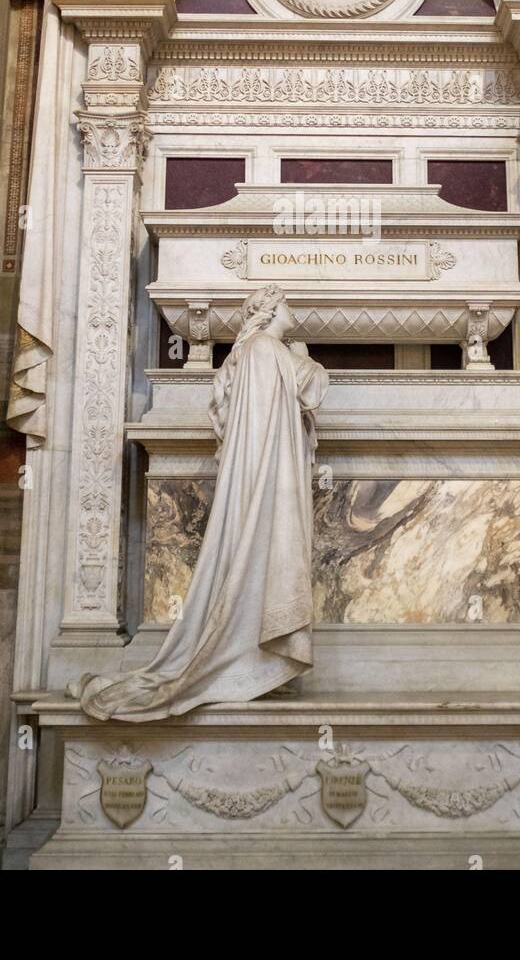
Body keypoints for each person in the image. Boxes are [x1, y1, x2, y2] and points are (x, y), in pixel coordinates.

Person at [77, 285, 328, 720]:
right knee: (269, 555)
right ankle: (250, 663)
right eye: (285, 302)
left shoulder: (251, 353)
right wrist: (306, 358)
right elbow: (310, 386)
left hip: (259, 478)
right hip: (270, 481)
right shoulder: (267, 351)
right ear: (269, 311)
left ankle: (254, 664)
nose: (292, 308)